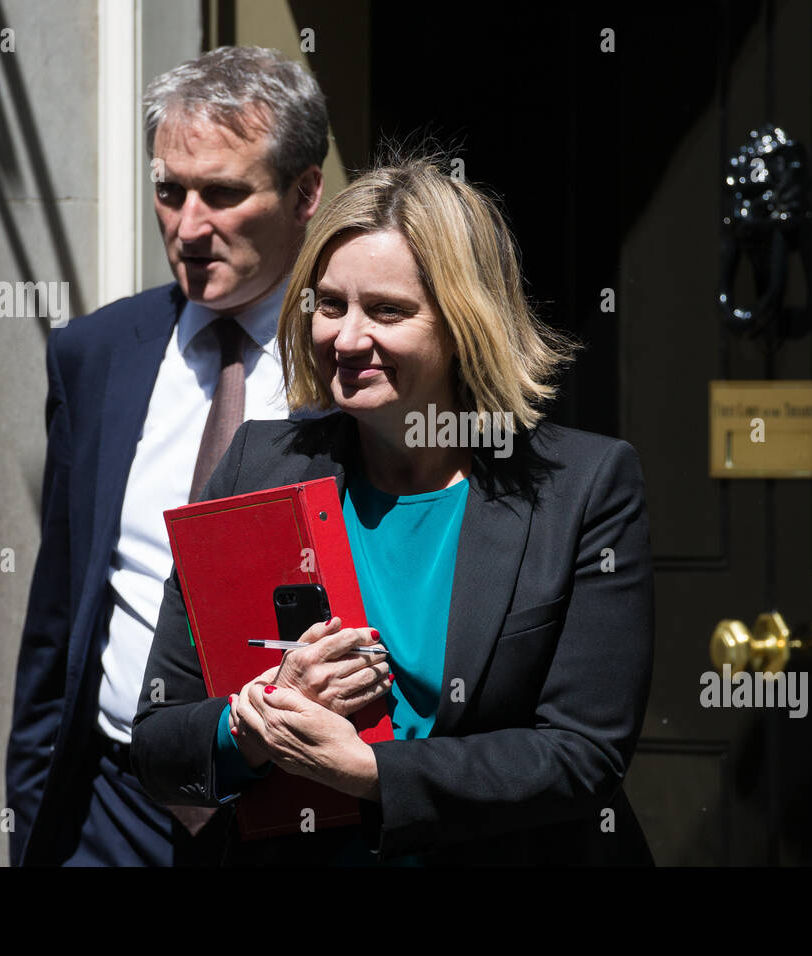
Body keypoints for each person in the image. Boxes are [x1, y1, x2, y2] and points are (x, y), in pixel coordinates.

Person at [131, 156, 656, 864]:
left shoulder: (583, 486)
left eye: (387, 311)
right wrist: (251, 726)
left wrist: (372, 775)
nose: (346, 339)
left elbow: (583, 754)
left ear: (466, 321)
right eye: (330, 304)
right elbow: (161, 739)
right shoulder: (258, 466)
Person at [5, 46, 332, 866]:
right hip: (111, 811)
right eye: (169, 191)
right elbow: (61, 609)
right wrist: (33, 810)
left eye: (223, 193)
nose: (188, 227)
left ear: (305, 195)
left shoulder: (355, 358)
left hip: (299, 808)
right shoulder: (98, 352)